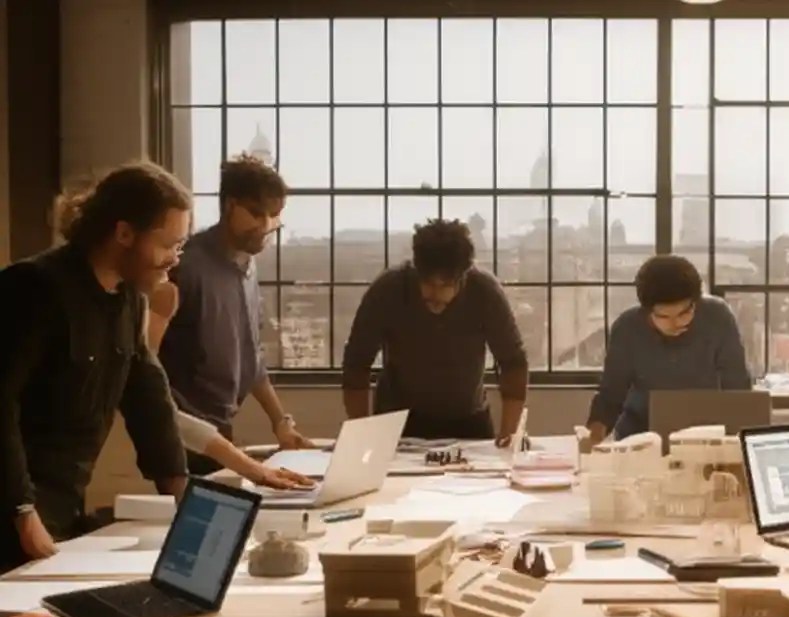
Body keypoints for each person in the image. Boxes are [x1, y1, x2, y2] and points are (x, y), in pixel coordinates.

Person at [0, 162, 190, 572]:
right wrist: (21, 510)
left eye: (181, 246)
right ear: (123, 233)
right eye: (168, 244)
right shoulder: (33, 287)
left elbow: (147, 396)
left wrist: (181, 493)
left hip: (64, 508)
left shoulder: (129, 298)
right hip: (14, 513)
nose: (173, 259)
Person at [158, 154, 312, 476]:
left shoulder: (248, 267)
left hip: (221, 429)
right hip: (180, 434)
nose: (266, 226)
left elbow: (252, 358)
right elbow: (146, 360)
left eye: (274, 216)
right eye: (256, 213)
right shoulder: (185, 266)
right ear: (229, 205)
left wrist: (280, 423)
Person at [342, 218, 529, 443]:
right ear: (417, 270)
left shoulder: (484, 292)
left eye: (446, 285)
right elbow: (356, 362)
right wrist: (362, 435)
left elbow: (513, 362)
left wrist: (509, 433)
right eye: (429, 284)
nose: (436, 294)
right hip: (398, 422)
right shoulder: (388, 289)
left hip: (468, 421)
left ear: (463, 276)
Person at [145, 281, 311, 491]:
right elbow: (153, 407)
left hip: (205, 434)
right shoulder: (185, 277)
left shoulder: (245, 275)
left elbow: (157, 407)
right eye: (168, 247)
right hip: (185, 439)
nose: (175, 260)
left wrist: (256, 468)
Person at [586, 255, 751, 444]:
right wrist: (592, 438)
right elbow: (611, 396)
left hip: (705, 433)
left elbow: (738, 388)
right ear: (647, 311)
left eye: (684, 313)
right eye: (664, 317)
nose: (675, 323)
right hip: (642, 437)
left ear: (695, 302)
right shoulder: (626, 329)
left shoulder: (718, 317)